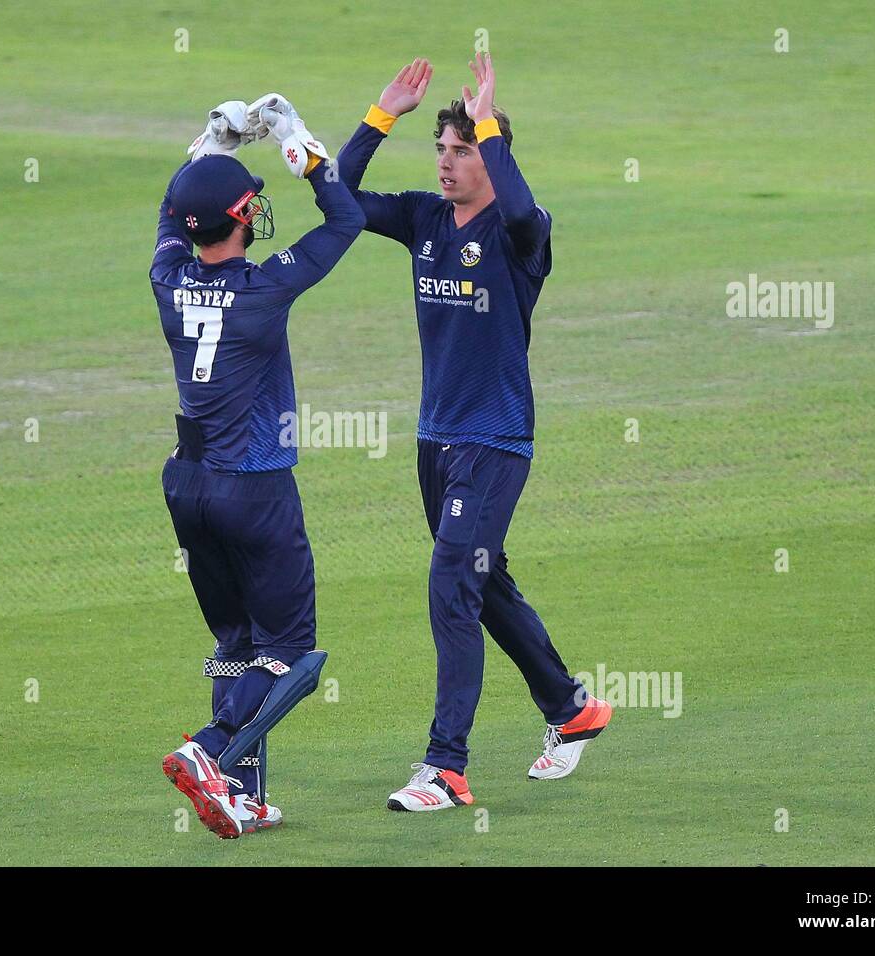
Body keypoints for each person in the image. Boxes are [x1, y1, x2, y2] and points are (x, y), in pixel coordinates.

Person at [335, 55, 612, 813]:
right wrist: (381, 113)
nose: (448, 163)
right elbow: (342, 196)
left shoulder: (524, 234)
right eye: (443, 150)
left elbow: (520, 208)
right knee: (481, 584)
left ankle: (446, 767)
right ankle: (572, 709)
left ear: (490, 154)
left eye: (462, 150)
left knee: (451, 585)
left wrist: (488, 120)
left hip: (495, 441)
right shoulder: (424, 218)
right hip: (435, 442)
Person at [151, 98, 364, 837]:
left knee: (234, 644)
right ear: (241, 218)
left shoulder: (166, 275)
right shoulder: (263, 287)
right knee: (291, 653)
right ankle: (209, 752)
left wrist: (215, 141)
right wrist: (300, 145)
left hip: (186, 484)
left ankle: (239, 792)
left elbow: (172, 208)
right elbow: (344, 222)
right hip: (255, 488)